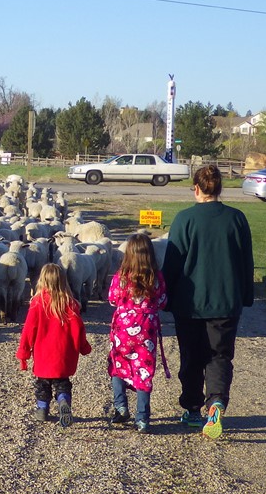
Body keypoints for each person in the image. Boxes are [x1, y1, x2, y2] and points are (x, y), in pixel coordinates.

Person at [162, 164, 254, 439]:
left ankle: (191, 408)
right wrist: (246, 294)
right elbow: (245, 262)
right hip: (225, 302)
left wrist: (165, 296)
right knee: (220, 355)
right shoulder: (236, 219)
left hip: (189, 304)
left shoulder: (184, 219)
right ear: (219, 188)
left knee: (191, 355)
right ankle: (216, 402)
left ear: (197, 188)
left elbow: (173, 263)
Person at [16, 263, 93, 427]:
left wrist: (24, 353)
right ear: (63, 281)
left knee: (43, 384)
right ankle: (63, 401)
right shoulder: (70, 304)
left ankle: (42, 410)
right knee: (62, 383)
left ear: (42, 281)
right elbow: (78, 328)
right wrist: (84, 347)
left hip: (43, 354)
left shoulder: (38, 303)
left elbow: (29, 329)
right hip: (64, 355)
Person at [108, 233, 170, 433]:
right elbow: (162, 302)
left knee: (118, 365)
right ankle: (142, 419)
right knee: (143, 371)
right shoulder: (156, 276)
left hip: (123, 331)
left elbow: (111, 298)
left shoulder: (121, 276)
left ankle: (121, 407)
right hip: (147, 329)